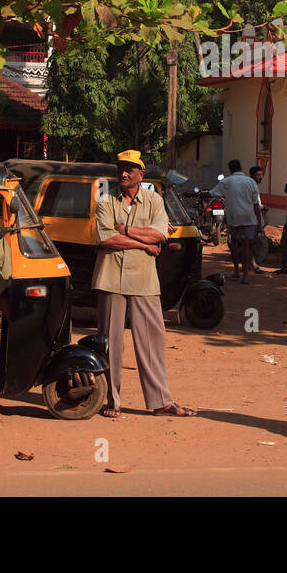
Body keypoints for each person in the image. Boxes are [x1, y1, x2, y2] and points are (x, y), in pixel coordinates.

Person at [93, 149, 195, 419]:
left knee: (152, 341)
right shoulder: (105, 202)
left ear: (141, 174)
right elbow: (105, 239)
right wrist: (143, 244)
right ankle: (111, 400)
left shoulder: (154, 201)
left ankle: (160, 401)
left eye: (129, 169)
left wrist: (125, 229)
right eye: (120, 169)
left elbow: (159, 235)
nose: (123, 174)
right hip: (110, 278)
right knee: (109, 343)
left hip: (144, 280)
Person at [212, 159, 262, 284]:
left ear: (230, 169)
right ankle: (245, 276)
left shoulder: (226, 181)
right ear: (241, 167)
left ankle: (236, 271)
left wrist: (195, 194)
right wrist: (259, 221)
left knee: (233, 244)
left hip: (234, 219)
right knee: (247, 247)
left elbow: (212, 193)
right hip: (249, 218)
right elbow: (256, 204)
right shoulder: (251, 182)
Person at [248, 165, 269, 272]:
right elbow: (254, 205)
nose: (260, 177)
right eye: (258, 175)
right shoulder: (252, 186)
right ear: (252, 175)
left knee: (251, 243)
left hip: (253, 218)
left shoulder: (253, 185)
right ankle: (252, 265)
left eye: (261, 175)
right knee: (252, 243)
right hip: (252, 219)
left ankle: (252, 264)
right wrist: (259, 222)